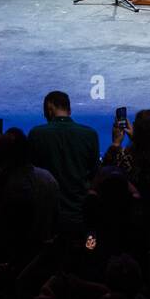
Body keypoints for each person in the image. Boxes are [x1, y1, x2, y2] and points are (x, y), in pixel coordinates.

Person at [28, 90, 100, 234]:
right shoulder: (90, 134)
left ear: (49, 108)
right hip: (80, 216)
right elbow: (94, 175)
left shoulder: (36, 134)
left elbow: (31, 175)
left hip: (47, 218)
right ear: (69, 110)